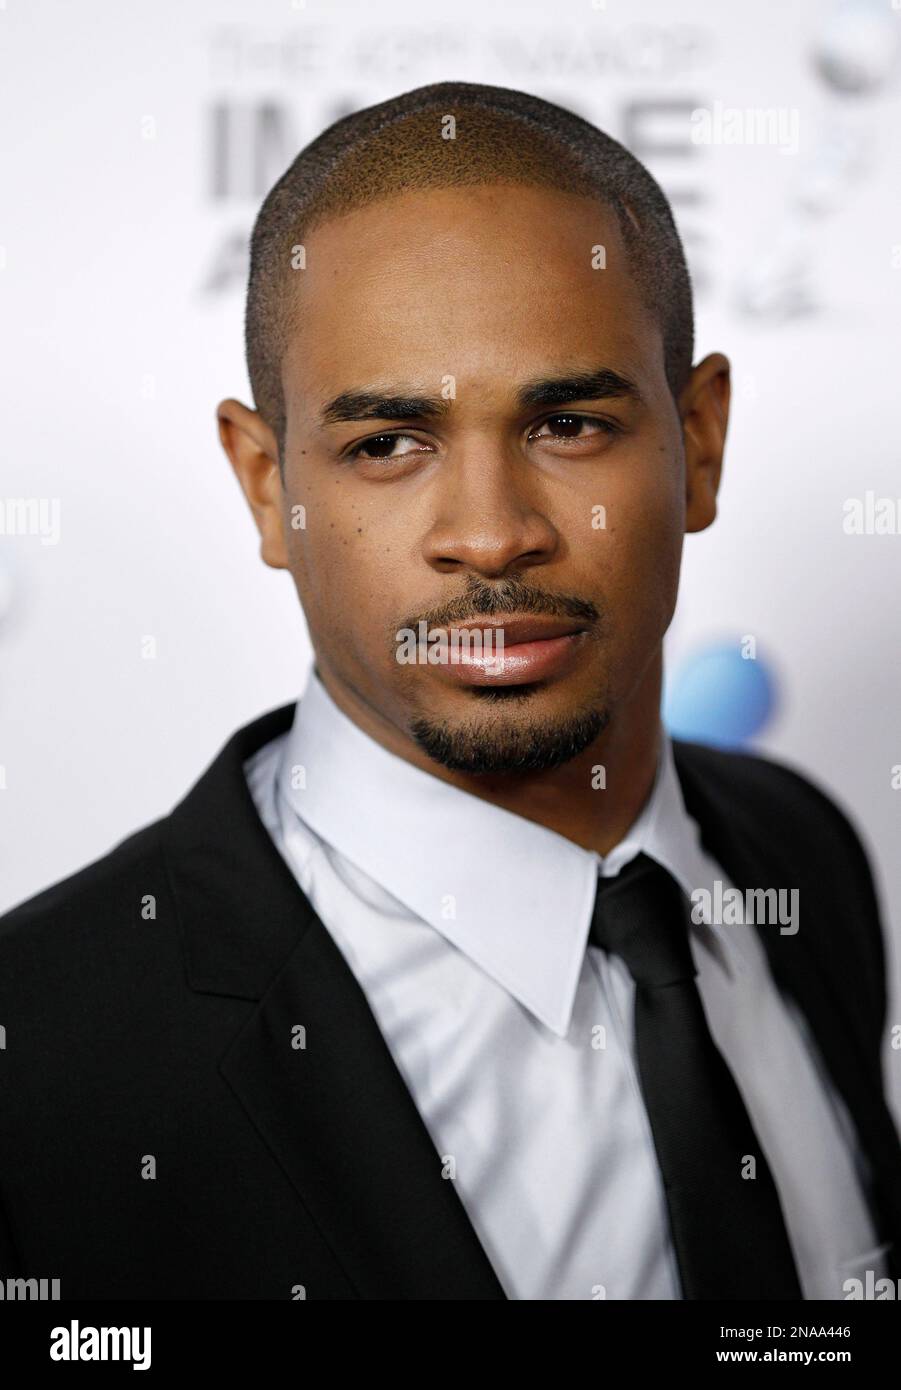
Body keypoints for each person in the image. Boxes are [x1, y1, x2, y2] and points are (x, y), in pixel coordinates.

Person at [0, 81, 898, 1301]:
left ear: (697, 444)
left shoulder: (803, 854)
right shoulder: (46, 1054)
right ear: (268, 487)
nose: (489, 535)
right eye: (386, 444)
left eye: (569, 423)